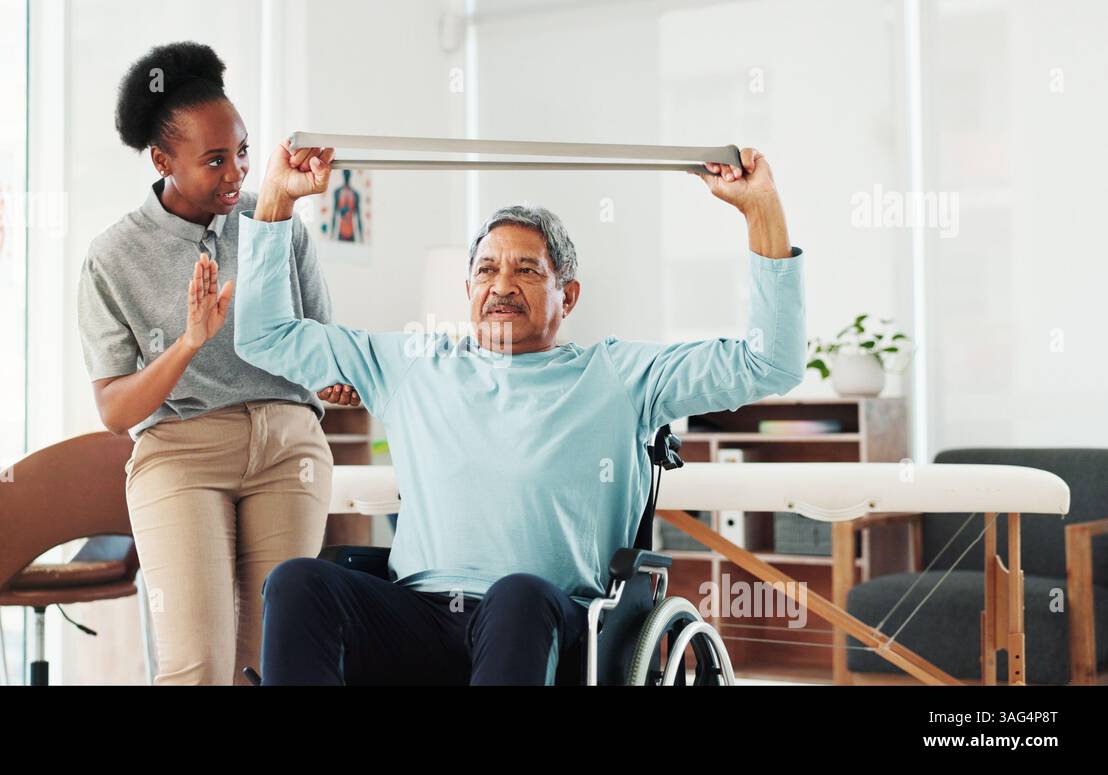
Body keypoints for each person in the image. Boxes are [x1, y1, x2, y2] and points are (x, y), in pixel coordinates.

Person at [236, 139, 804, 685]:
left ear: (569, 295)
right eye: (486, 270)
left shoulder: (620, 377)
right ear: (467, 288)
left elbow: (769, 363)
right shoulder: (411, 363)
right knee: (297, 581)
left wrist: (761, 211)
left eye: (527, 270)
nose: (502, 286)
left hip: (549, 619)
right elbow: (264, 338)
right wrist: (277, 201)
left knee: (516, 593)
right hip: (416, 614)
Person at [76, 42, 357, 685]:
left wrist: (338, 379)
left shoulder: (276, 222)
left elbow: (320, 346)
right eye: (213, 160)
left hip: (289, 451)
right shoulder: (114, 257)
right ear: (161, 160)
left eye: (242, 153)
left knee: (272, 667)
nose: (236, 174)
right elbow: (116, 409)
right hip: (181, 452)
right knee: (197, 666)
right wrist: (188, 343)